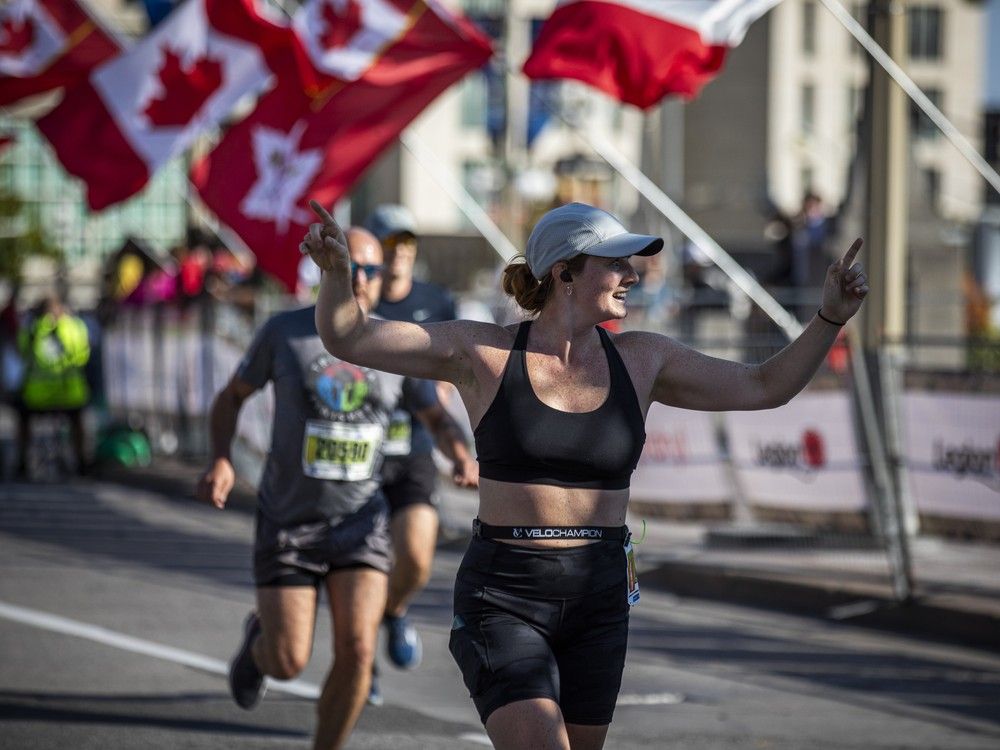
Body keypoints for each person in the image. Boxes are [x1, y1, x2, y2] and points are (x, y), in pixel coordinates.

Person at [302, 200, 869, 750]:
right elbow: (349, 336)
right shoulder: (483, 353)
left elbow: (763, 387)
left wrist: (828, 320)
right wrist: (336, 277)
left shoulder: (645, 360)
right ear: (565, 272)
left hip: (600, 595)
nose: (632, 275)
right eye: (616, 263)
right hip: (505, 593)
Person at [195, 227, 471, 749]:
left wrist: (458, 452)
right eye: (355, 267)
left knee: (359, 653)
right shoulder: (285, 333)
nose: (365, 278)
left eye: (372, 269)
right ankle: (258, 647)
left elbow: (434, 414)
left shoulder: (394, 343)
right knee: (287, 659)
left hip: (359, 523)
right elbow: (232, 397)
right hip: (290, 522)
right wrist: (221, 461)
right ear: (330, 269)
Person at [364, 203, 478, 673]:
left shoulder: (437, 301)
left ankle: (392, 613)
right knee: (360, 570)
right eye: (391, 244)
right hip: (359, 456)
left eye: (407, 243)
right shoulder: (360, 302)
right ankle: (358, 663)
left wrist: (459, 450)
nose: (401, 253)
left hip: (412, 447)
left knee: (415, 558)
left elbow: (454, 367)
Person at [15, 294, 91, 478]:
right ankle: (82, 461)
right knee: (78, 420)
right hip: (69, 395)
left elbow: (22, 352)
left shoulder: (32, 328)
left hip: (37, 397)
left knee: (22, 418)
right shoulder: (75, 327)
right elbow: (83, 357)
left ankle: (22, 463)